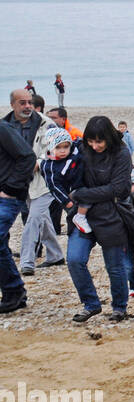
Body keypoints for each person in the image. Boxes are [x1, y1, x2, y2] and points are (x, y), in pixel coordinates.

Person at [65, 117, 134, 323]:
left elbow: (118, 189)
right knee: (75, 260)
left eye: (99, 142)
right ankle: (91, 304)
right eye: (91, 141)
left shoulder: (121, 153)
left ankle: (119, 307)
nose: (95, 146)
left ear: (109, 138)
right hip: (83, 216)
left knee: (114, 266)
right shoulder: (82, 149)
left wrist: (81, 194)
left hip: (111, 216)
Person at [19, 126, 73, 276]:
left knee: (33, 220)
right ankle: (55, 255)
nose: (62, 150)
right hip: (32, 189)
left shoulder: (49, 157)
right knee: (43, 218)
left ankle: (27, 262)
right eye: (59, 147)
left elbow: (35, 165)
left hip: (45, 190)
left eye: (65, 147)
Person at [0, 115, 37, 313]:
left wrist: (11, 188)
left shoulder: (3, 129)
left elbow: (28, 157)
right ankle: (14, 291)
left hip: (8, 197)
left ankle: (14, 291)